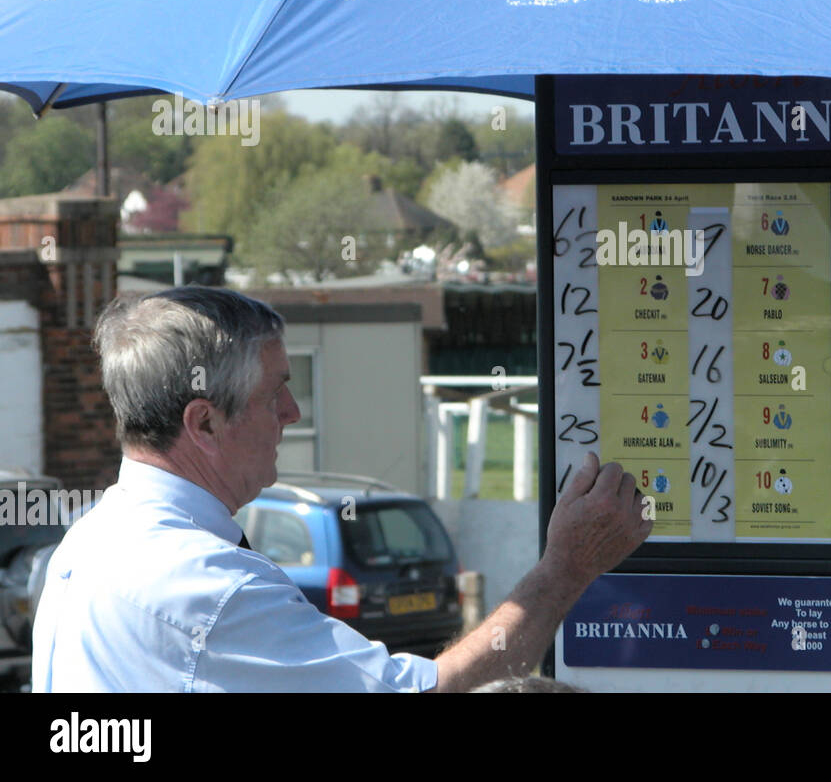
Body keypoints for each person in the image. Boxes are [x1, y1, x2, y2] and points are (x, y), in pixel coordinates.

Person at [33, 286, 651, 692]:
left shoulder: (83, 546)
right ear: (204, 422)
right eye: (273, 392)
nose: (293, 411)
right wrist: (565, 571)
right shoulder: (210, 586)